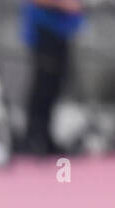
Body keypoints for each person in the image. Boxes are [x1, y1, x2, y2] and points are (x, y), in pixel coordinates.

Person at [21, 0, 87, 156]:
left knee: (54, 88)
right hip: (45, 34)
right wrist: (64, 5)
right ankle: (34, 138)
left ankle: (46, 136)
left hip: (61, 34)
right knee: (43, 87)